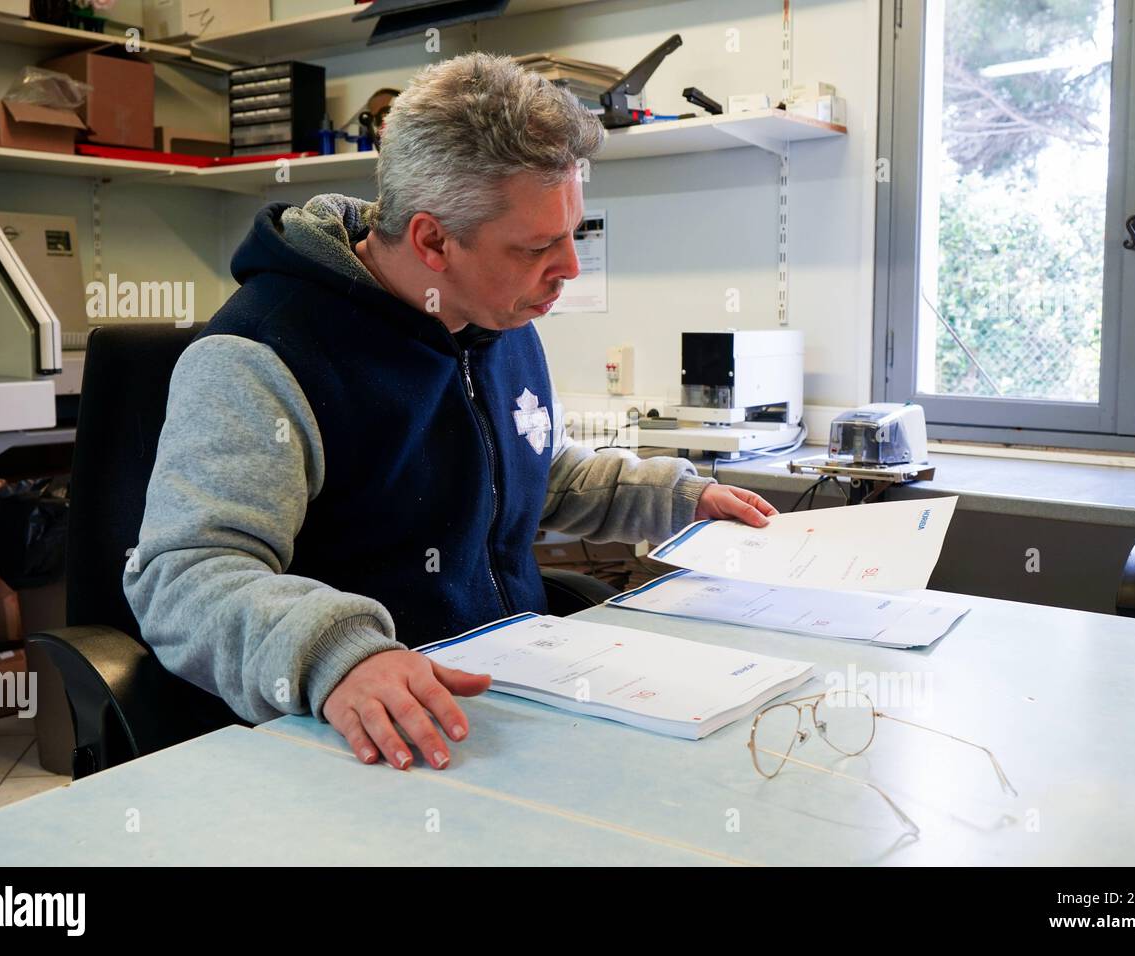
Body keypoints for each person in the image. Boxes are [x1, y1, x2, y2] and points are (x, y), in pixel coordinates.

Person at [124, 53, 777, 771]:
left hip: (504, 704)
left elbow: (529, 471)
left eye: (573, 233)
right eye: (537, 247)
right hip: (349, 737)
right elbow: (183, 576)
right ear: (434, 240)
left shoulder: (496, 318)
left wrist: (679, 499)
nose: (570, 269)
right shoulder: (263, 354)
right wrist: (338, 656)